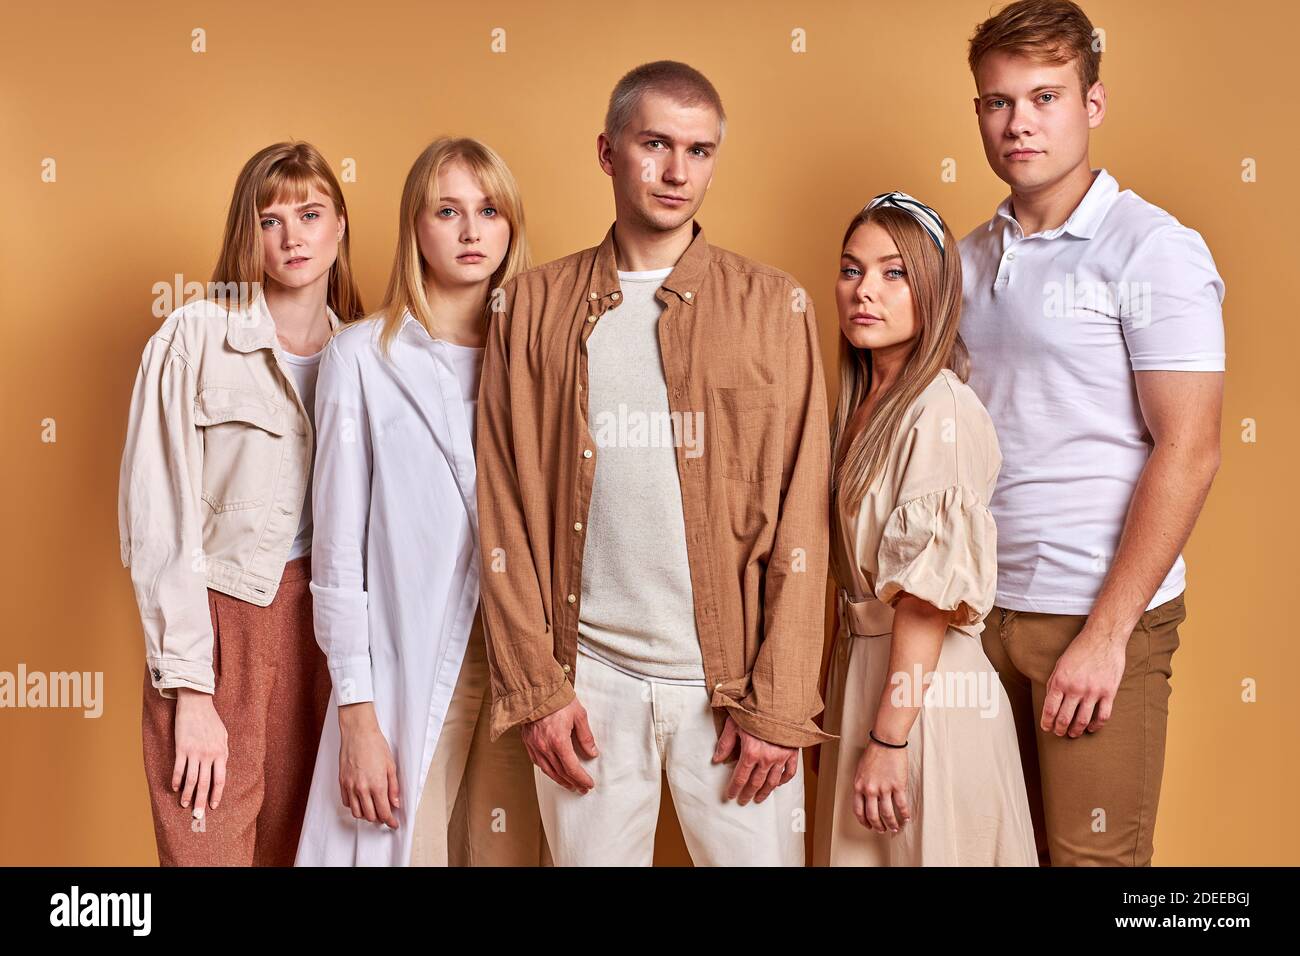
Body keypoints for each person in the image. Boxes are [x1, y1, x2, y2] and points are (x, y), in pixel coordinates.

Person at [475, 60, 832, 866]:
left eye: (700, 151)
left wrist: (777, 706)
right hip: (586, 682)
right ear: (608, 152)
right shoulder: (529, 307)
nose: (678, 172)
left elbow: (806, 506)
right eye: (657, 144)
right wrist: (538, 690)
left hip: (732, 687)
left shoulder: (774, 307)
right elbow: (500, 502)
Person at [959, 0, 1226, 865]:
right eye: (1000, 102)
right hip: (980, 612)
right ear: (978, 114)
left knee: (1095, 867)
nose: (1020, 123)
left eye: (1045, 97)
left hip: (1095, 614)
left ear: (1093, 105)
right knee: (998, 855)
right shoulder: (965, 258)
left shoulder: (1151, 249)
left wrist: (1106, 636)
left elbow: (1190, 448)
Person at [294, 138, 547, 867]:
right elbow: (338, 557)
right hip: (412, 664)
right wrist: (358, 720)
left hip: (522, 672)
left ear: (511, 226)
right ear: (416, 225)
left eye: (489, 210)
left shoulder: (541, 357)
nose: (472, 232)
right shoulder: (362, 358)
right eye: (448, 210)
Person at [119, 141, 364, 865]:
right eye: (270, 219)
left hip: (327, 633)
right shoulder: (192, 337)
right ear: (246, 233)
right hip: (220, 627)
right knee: (208, 846)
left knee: (309, 851)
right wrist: (192, 691)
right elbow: (157, 521)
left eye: (311, 214)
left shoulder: (367, 354)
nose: (293, 237)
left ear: (340, 226)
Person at [812, 192, 1037, 867]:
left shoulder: (942, 409)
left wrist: (888, 739)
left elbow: (926, 597)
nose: (864, 291)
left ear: (934, 291)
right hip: (869, 687)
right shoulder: (859, 407)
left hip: (924, 701)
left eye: (893, 273)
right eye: (851, 270)